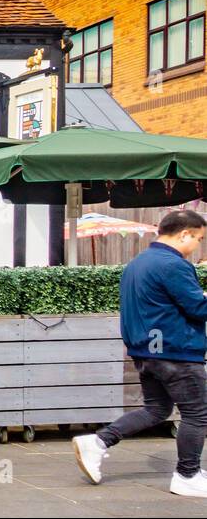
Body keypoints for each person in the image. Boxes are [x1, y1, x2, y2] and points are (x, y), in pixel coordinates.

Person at [74, 209, 207, 496]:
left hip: (147, 351)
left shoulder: (138, 263)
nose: (198, 245)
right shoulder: (174, 265)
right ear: (184, 233)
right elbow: (199, 308)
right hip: (176, 351)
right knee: (198, 414)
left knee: (157, 409)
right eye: (198, 238)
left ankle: (98, 442)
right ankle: (187, 475)